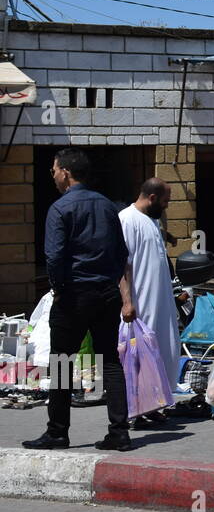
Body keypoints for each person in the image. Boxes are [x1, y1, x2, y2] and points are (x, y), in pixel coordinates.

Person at [24, 148, 136, 451]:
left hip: (73, 295)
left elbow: (54, 255)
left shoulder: (61, 209)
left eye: (54, 171)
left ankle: (57, 432)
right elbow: (120, 254)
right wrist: (110, 283)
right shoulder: (107, 206)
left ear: (65, 173)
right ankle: (119, 432)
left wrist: (59, 288)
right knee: (110, 361)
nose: (54, 176)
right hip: (106, 294)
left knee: (61, 361)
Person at [119, 178, 180, 427]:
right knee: (138, 358)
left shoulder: (152, 220)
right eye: (165, 202)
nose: (166, 207)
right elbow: (123, 264)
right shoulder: (127, 219)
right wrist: (127, 302)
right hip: (140, 305)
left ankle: (153, 405)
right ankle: (134, 411)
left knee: (160, 354)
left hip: (160, 303)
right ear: (152, 198)